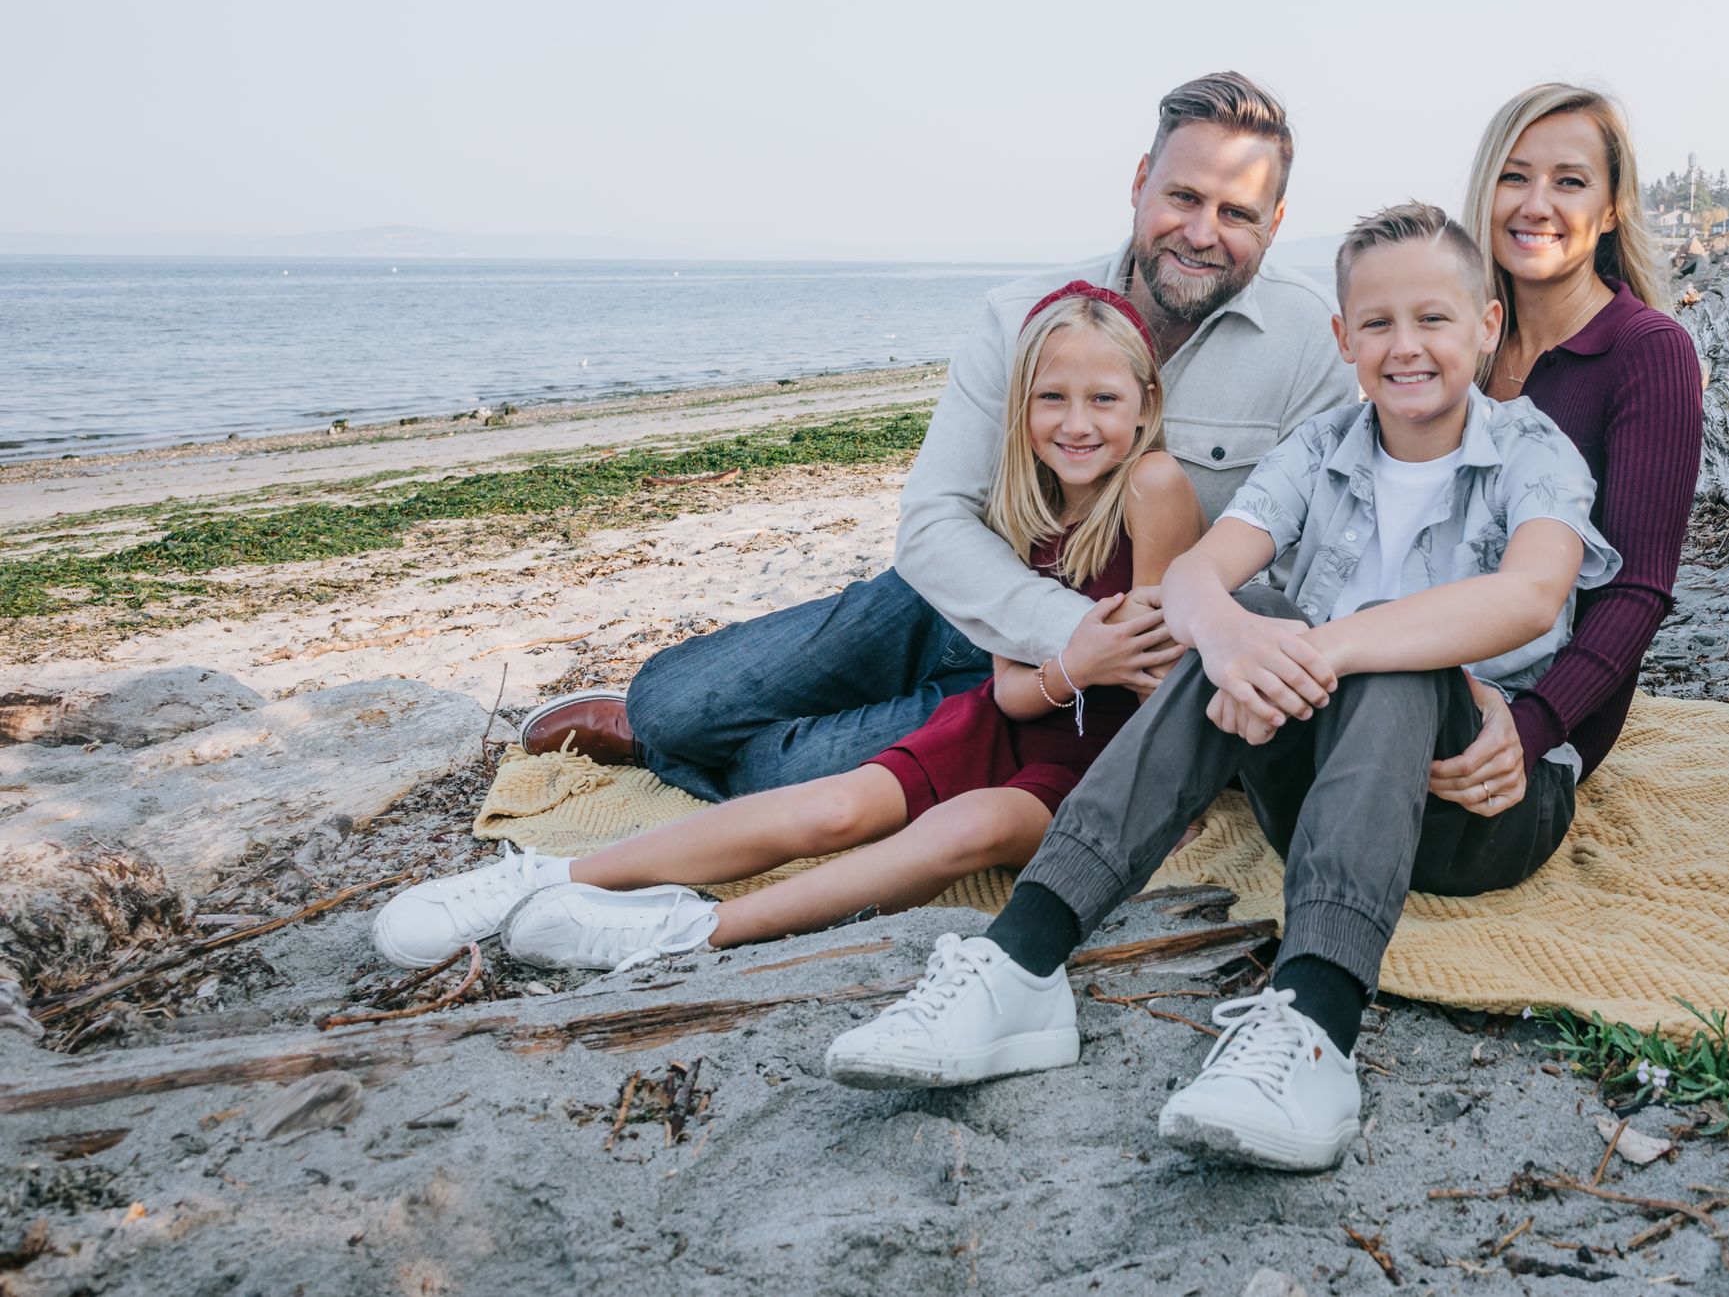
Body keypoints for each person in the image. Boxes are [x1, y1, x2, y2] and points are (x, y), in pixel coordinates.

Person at [818, 202, 1621, 1172]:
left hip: (1481, 800)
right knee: (1240, 620)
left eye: (1432, 319)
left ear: (1487, 326)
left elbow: (1530, 596)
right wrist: (1235, 639)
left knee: (1395, 656)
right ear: (1344, 339)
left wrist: (1325, 649)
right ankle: (1022, 960)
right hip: (1321, 798)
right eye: (1376, 322)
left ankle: (1313, 1024)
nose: (1404, 345)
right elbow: (1198, 573)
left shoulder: (1533, 450)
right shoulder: (1321, 446)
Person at [511, 72, 1353, 806]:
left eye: (1236, 212)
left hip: (1110, 679)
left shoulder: (1308, 339)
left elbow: (1300, 562)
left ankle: (692, 761)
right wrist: (1073, 632)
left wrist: (1145, 659)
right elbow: (933, 521)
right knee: (667, 701)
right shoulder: (1019, 315)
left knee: (780, 774)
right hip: (960, 603)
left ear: (1275, 222)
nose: (1202, 232)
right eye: (1184, 197)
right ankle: (666, 736)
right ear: (1140, 182)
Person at [369, 285, 1203, 971]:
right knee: (834, 808)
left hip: (1104, 771)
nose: (1077, 422)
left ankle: (693, 929)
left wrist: (1162, 799)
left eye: (1103, 398)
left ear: (1146, 404)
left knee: (971, 825)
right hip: (1008, 725)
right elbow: (1015, 694)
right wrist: (1073, 664)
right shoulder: (1015, 513)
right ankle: (551, 875)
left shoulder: (1153, 486)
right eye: (1052, 397)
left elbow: (1161, 683)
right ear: (1019, 408)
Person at [1446, 82, 1704, 806]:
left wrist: (1530, 730)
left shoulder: (1648, 351)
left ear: (1612, 206)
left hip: (1547, 718)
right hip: (1424, 655)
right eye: (1514, 176)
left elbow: (1637, 589)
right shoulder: (1456, 342)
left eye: (1569, 181)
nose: (1536, 205)